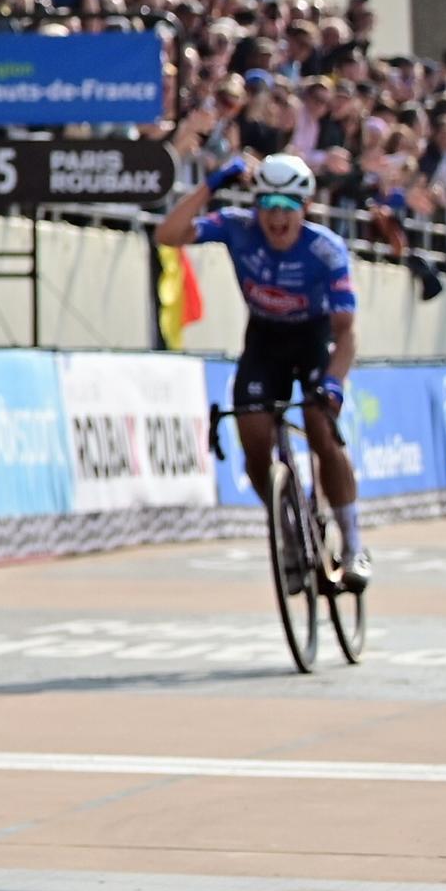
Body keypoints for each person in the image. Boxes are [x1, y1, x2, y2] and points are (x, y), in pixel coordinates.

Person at [154, 151, 367, 586]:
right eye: (267, 206)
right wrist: (212, 184)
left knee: (321, 429)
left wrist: (333, 384)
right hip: (264, 341)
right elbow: (168, 233)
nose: (275, 218)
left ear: (304, 208)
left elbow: (346, 333)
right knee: (253, 440)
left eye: (287, 208)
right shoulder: (238, 227)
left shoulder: (325, 249)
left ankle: (352, 543)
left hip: (313, 340)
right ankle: (288, 529)